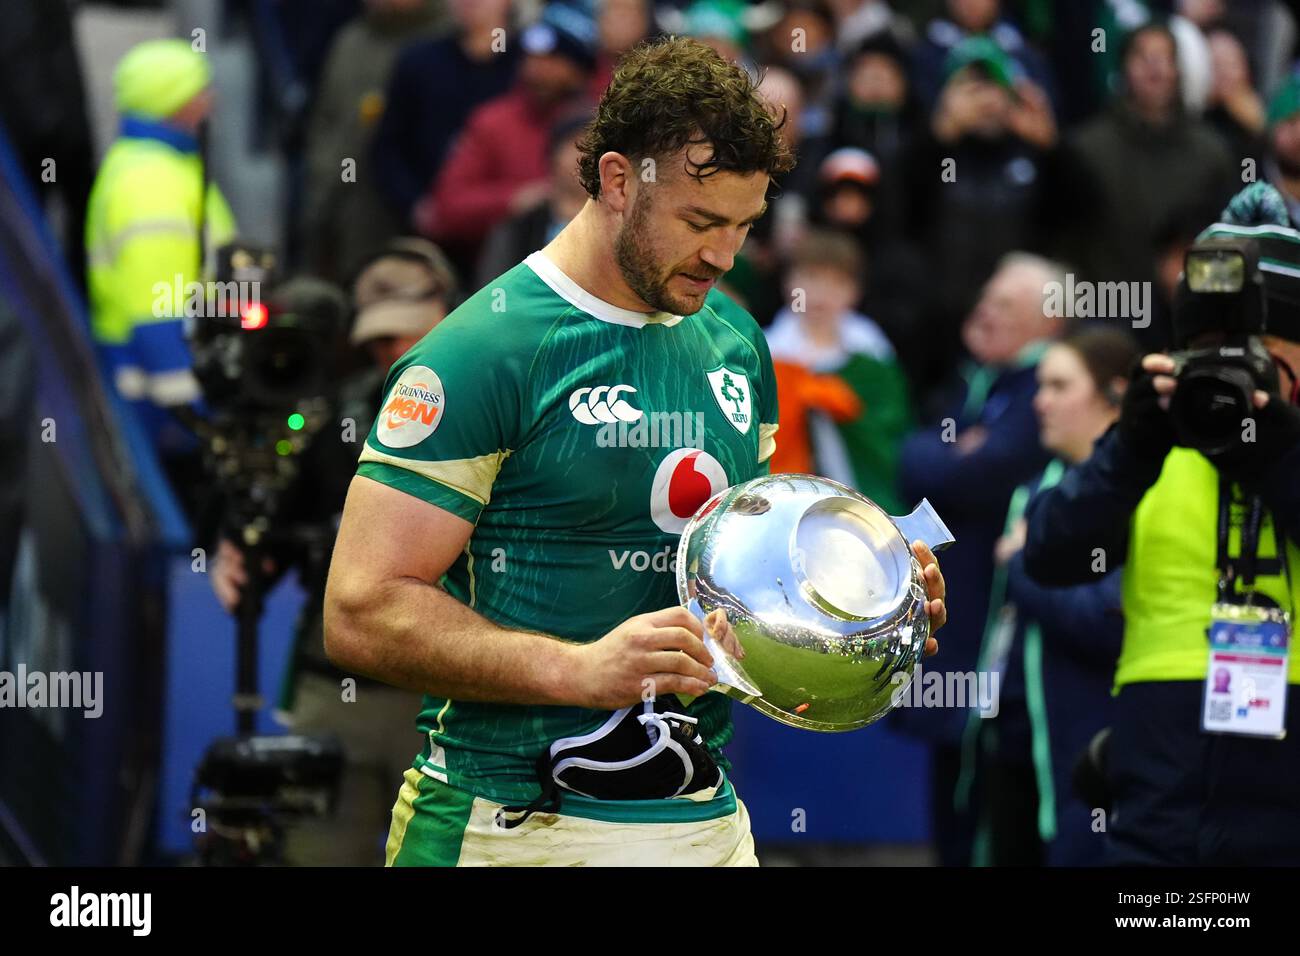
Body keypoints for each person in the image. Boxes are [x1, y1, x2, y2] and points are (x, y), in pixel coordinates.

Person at [323, 36, 949, 867]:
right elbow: (361, 611)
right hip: (507, 821)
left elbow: (737, 589)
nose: (725, 255)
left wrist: (860, 596)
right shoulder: (482, 351)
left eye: (744, 225)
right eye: (700, 221)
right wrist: (577, 671)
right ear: (618, 181)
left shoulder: (736, 341)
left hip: (705, 818)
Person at [1023, 201, 1300, 865]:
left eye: (1256, 350)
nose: (1230, 368)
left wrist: (1276, 454)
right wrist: (1127, 454)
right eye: (1206, 351)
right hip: (1160, 790)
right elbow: (1050, 554)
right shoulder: (1158, 441)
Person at [210, 239, 456, 865]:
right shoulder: (333, 422)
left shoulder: (506, 416)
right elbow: (269, 539)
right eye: (380, 342)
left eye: (409, 335)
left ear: (450, 315)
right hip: (334, 692)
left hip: (447, 703)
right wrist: (239, 555)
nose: (396, 354)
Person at [896, 252, 1060, 866]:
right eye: (986, 298)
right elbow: (911, 457)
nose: (984, 313)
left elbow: (985, 474)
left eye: (1007, 307)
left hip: (999, 640)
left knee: (988, 812)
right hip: (950, 626)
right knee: (951, 798)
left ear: (1049, 326)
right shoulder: (971, 381)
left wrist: (962, 461)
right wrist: (954, 458)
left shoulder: (1040, 388)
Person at [960, 327, 1138, 867]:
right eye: (1040, 385)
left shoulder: (1136, 492)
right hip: (1008, 738)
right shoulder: (1034, 488)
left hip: (1089, 748)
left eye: (1060, 386)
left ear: (1115, 395)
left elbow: (1105, 621)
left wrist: (1021, 565)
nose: (1041, 401)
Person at [84, 40, 237, 486]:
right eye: (199, 89)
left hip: (175, 388)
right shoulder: (151, 183)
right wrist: (195, 419)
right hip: (165, 404)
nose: (211, 99)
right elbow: (158, 310)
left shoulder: (162, 163)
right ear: (172, 101)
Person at [415, 1, 599, 271]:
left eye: (553, 60)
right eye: (531, 58)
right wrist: (515, 199)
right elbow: (447, 207)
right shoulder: (492, 122)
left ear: (579, 71)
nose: (537, 70)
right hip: (497, 267)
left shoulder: (601, 125)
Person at [766, 229, 912, 515]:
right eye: (810, 279)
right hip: (791, 500)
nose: (820, 294)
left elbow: (892, 426)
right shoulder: (769, 349)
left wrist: (848, 411)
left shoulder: (871, 350)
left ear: (854, 291)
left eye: (835, 283)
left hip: (859, 495)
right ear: (789, 283)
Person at [297, 0, 446, 282]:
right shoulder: (351, 39)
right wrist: (322, 186)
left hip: (417, 209)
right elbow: (326, 121)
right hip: (347, 202)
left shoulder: (445, 38)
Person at [370, 0, 519, 230]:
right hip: (426, 223)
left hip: (508, 229)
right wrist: (413, 204)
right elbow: (387, 145)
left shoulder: (529, 65)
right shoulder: (419, 60)